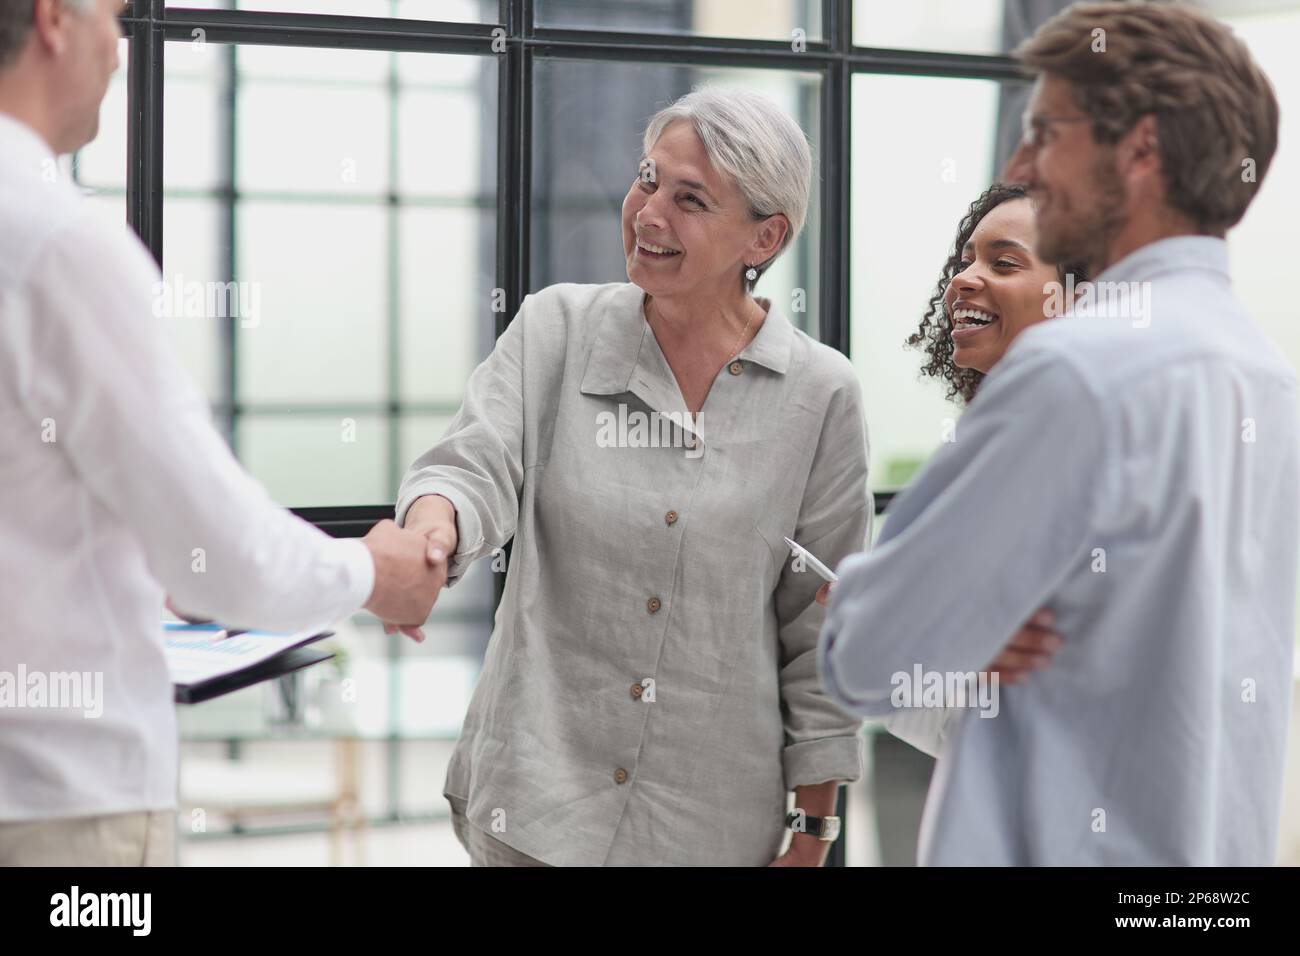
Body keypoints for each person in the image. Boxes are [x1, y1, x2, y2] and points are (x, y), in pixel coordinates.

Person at [819, 0, 1297, 865]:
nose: (1020, 162)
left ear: (1141, 149)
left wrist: (900, 603)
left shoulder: (1074, 371)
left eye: (1046, 131)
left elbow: (863, 655)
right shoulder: (1268, 379)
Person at [0, 0, 440, 866]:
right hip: (63, 811)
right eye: (116, 18)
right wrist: (374, 572)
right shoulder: (60, 242)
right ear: (55, 17)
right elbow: (226, 552)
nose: (122, 49)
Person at [396, 88, 870, 866]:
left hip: (710, 828)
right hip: (534, 811)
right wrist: (433, 529)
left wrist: (812, 834)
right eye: (648, 179)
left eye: (691, 200)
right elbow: (469, 464)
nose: (649, 213)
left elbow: (821, 634)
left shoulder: (821, 395)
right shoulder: (557, 329)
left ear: (766, 236)